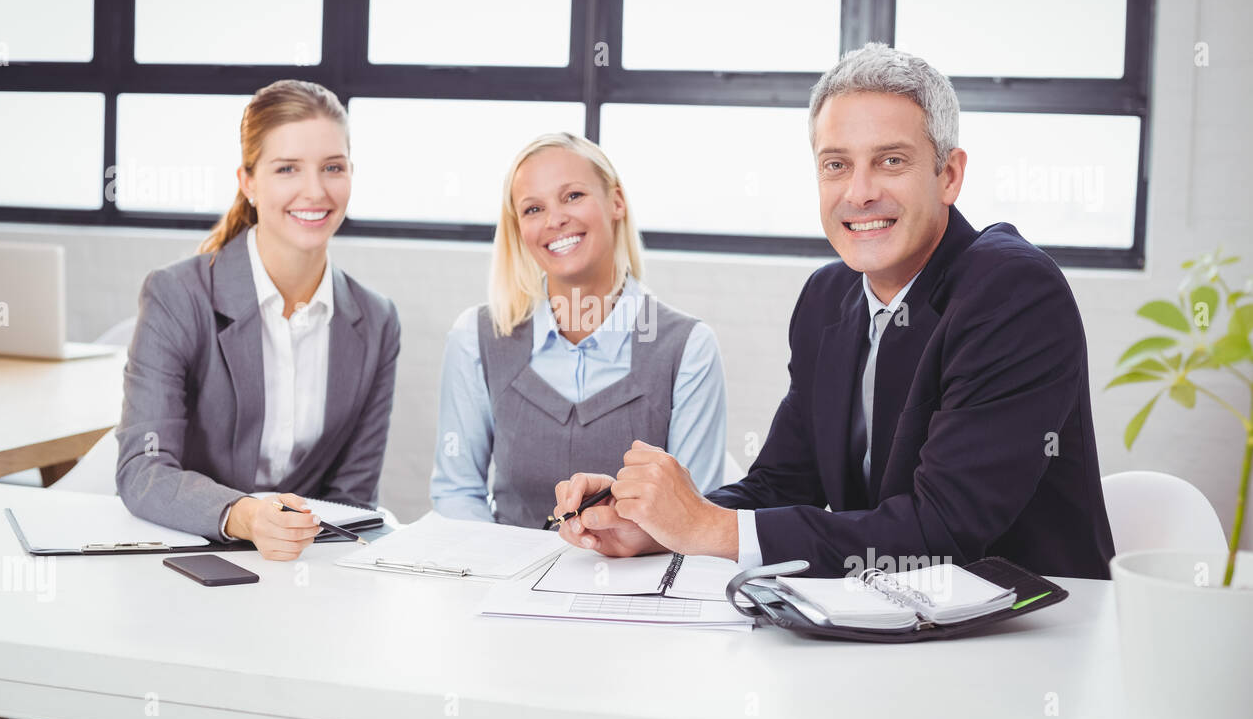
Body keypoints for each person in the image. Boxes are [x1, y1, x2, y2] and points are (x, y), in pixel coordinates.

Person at [551, 43, 1116, 579]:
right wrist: (654, 525)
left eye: (890, 161)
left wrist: (706, 528)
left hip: (1027, 633)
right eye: (836, 165)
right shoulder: (829, 297)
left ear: (948, 175)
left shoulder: (1013, 291)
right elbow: (780, 484)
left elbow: (943, 530)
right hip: (878, 618)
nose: (860, 192)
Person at [116, 79, 400, 561]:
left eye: (333, 167)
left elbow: (351, 498)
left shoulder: (375, 320)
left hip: (304, 564)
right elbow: (143, 469)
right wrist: (246, 516)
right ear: (248, 181)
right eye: (287, 168)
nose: (315, 190)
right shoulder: (177, 295)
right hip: (184, 555)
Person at [430, 132, 727, 527]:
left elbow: (693, 516)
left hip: (635, 585)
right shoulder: (475, 338)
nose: (555, 220)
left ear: (616, 202)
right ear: (519, 228)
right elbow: (457, 493)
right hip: (503, 579)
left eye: (573, 196)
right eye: (533, 209)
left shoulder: (688, 348)